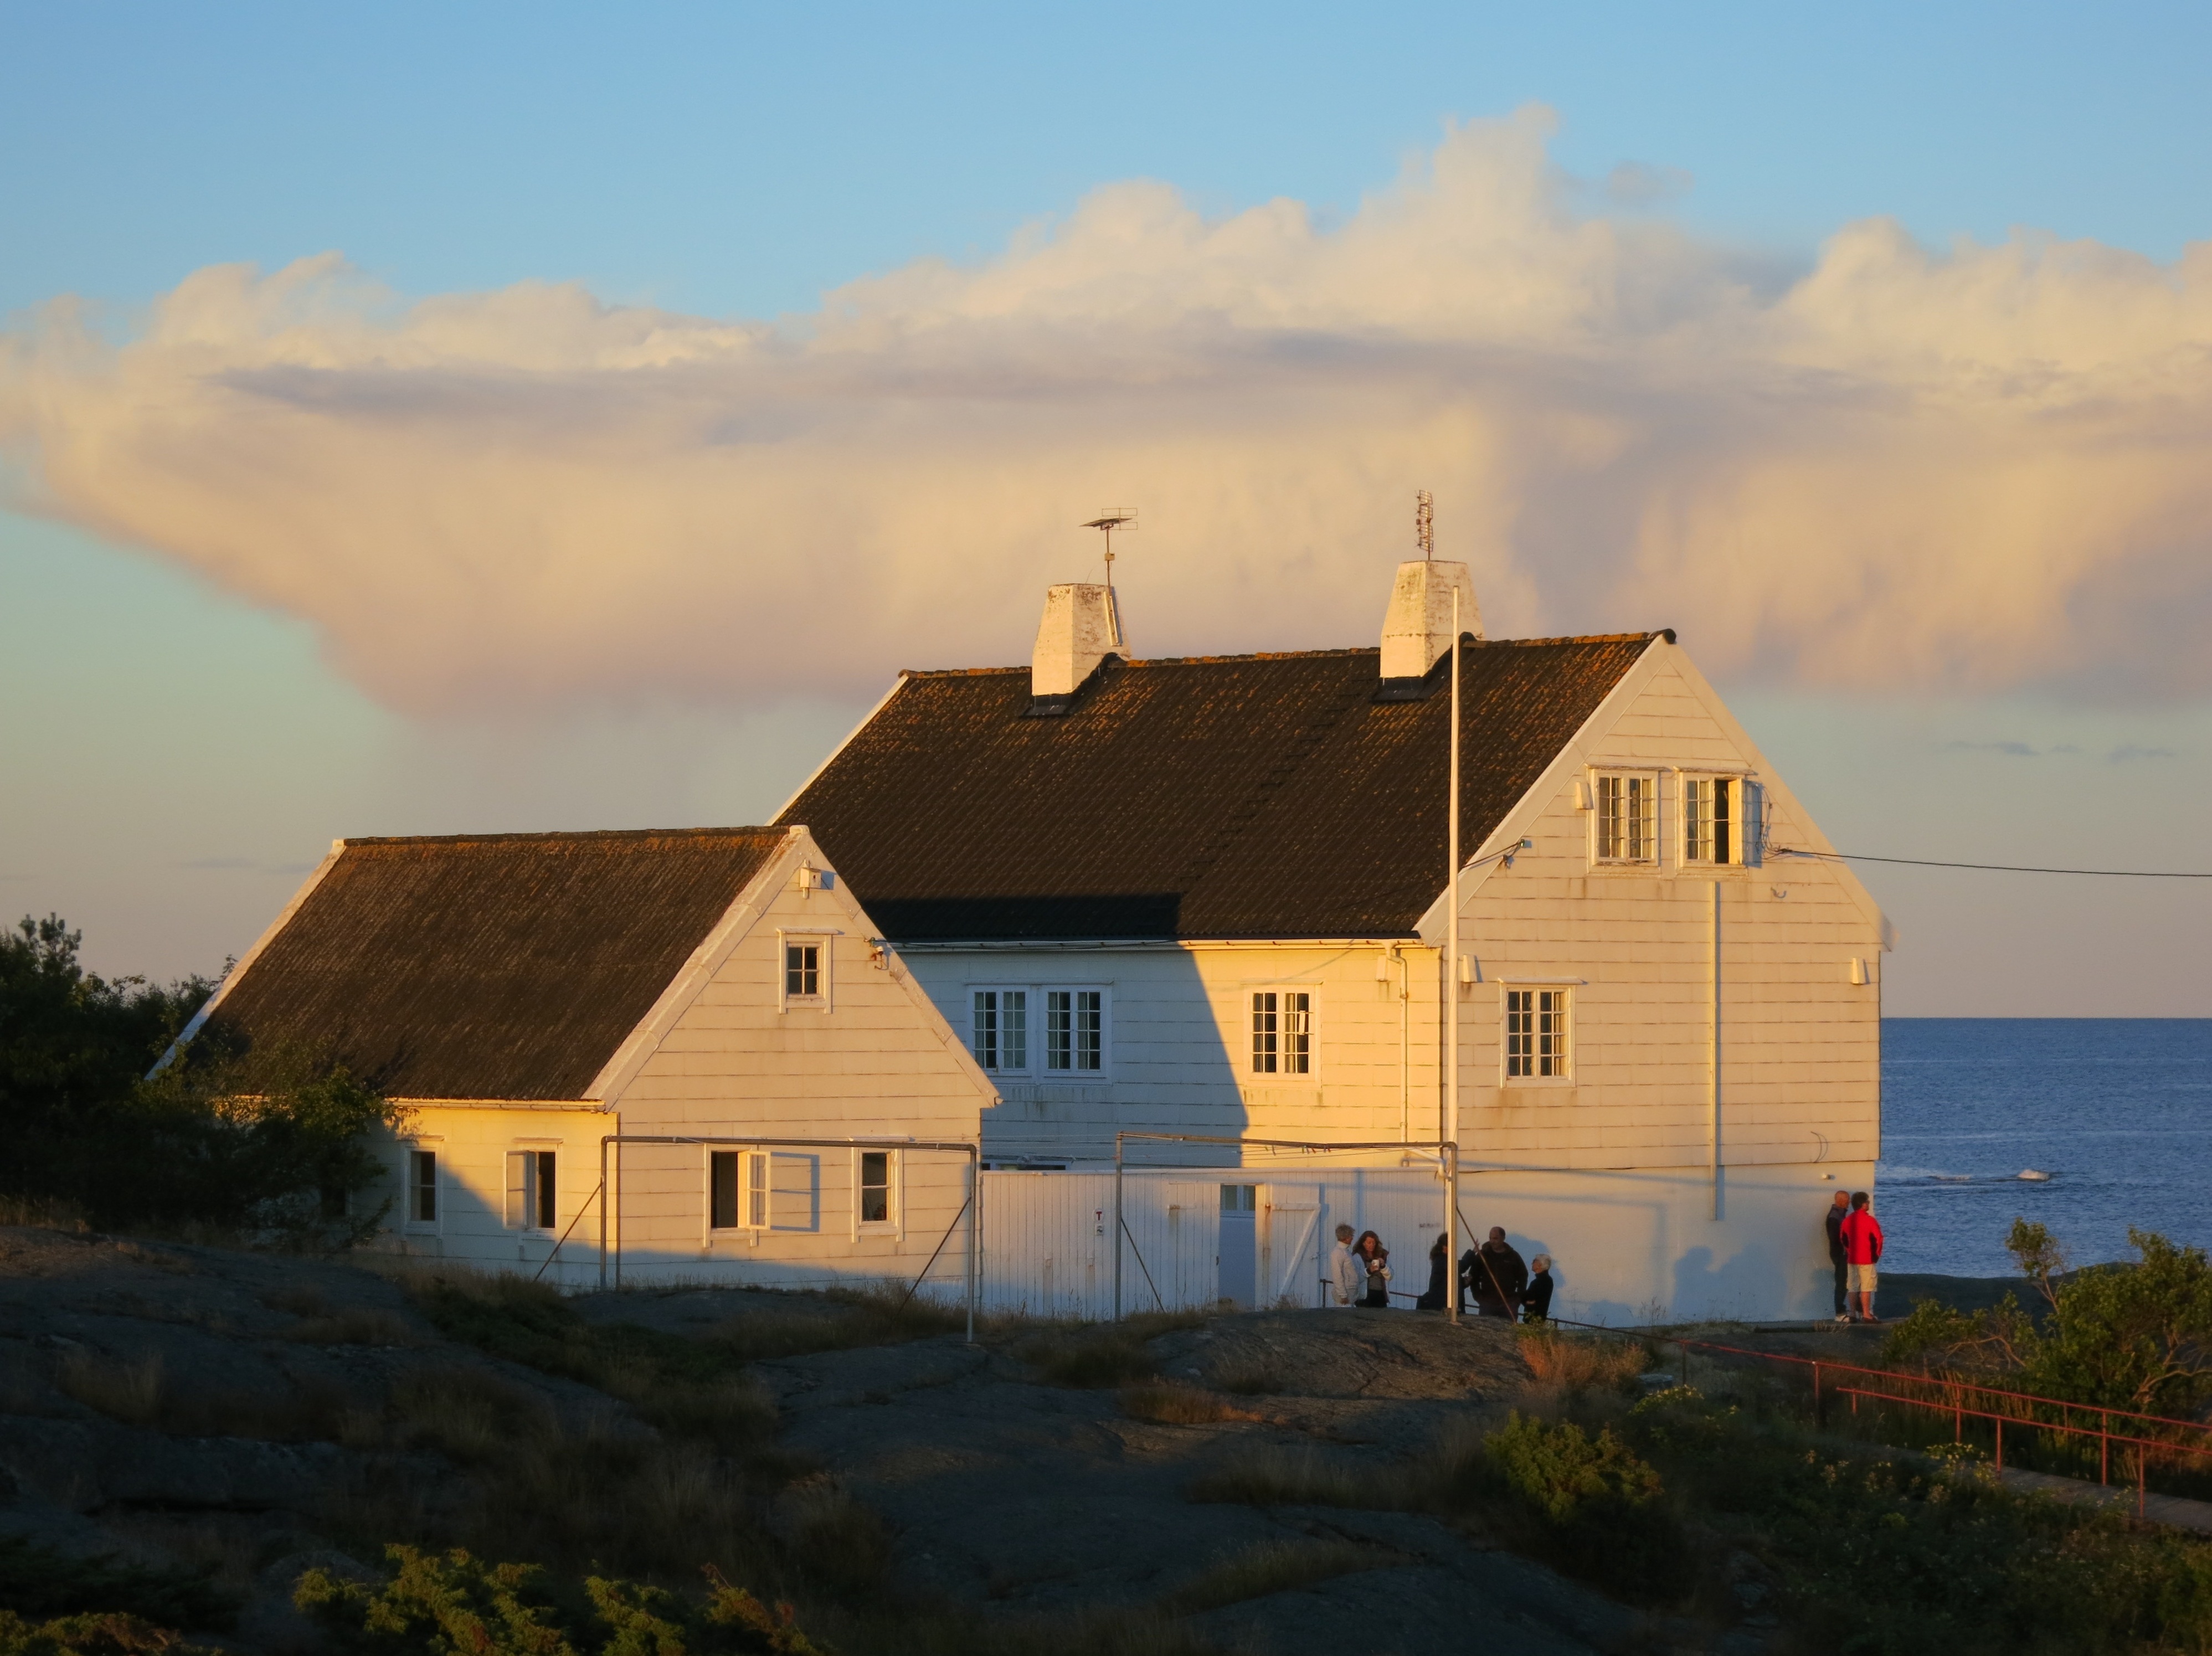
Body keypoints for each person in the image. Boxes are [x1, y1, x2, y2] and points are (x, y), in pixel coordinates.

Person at [1839, 1190, 1884, 1323]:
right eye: (1867, 1202)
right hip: (1867, 1259)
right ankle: (1866, 1314)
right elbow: (1879, 1239)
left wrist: (1849, 1251)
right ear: (1863, 1205)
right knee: (1867, 1287)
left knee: (1852, 1287)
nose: (1869, 1203)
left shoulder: (1847, 1220)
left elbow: (1843, 1238)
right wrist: (1876, 1255)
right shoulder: (1870, 1221)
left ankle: (1852, 1313)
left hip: (1852, 1259)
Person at [1469, 1227, 1528, 1318]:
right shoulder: (1482, 1256)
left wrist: (1518, 1298)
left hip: (1509, 1303)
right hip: (1487, 1303)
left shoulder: (1513, 1256)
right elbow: (1473, 1276)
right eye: (1491, 1238)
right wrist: (1479, 1297)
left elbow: (1523, 1276)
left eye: (1496, 1238)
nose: (1492, 1241)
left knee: (1508, 1331)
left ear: (1503, 1238)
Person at [1825, 1190, 1851, 1324]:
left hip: (1841, 1252)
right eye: (1847, 1200)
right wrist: (1846, 1244)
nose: (1849, 1202)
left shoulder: (1839, 1215)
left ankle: (1842, 1310)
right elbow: (1834, 1238)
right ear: (1839, 1200)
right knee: (1841, 1282)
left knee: (1844, 1282)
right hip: (1840, 1253)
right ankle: (1839, 1312)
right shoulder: (1835, 1217)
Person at [1325, 1223, 1360, 1308]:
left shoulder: (1346, 1251)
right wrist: (1343, 1295)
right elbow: (1337, 1274)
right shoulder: (1338, 1253)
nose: (1352, 1238)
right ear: (1346, 1237)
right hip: (1346, 1292)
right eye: (1351, 1235)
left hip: (1351, 1290)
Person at [1354, 1230, 1391, 1308]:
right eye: (1369, 1243)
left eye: (1374, 1243)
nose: (1372, 1245)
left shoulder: (1382, 1255)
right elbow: (1356, 1278)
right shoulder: (1358, 1257)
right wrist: (1369, 1271)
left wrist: (1383, 1267)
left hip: (1381, 1294)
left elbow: (1390, 1277)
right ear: (1363, 1243)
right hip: (1365, 1295)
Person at [1415, 1233, 1450, 1310]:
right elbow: (1458, 1268)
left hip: (1439, 1299)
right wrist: (1471, 1254)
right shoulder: (1443, 1260)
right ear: (1445, 1247)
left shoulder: (1439, 1259)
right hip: (1440, 1301)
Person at [1521, 1254, 1555, 1323]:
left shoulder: (1544, 1281)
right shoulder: (1544, 1280)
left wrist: (1525, 1299)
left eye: (1534, 1261)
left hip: (1534, 1321)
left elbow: (1530, 1298)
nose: (1532, 1263)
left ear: (1540, 1264)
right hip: (1535, 1320)